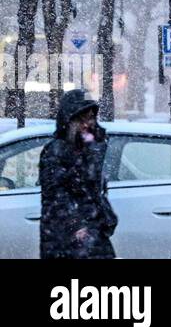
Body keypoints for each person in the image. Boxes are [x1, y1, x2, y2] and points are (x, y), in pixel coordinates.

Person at [39, 89, 117, 259]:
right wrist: (76, 225)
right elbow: (56, 196)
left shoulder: (90, 150)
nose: (87, 124)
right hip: (67, 240)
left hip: (91, 234)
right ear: (69, 122)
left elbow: (95, 193)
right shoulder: (56, 152)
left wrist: (106, 218)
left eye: (90, 118)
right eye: (81, 119)